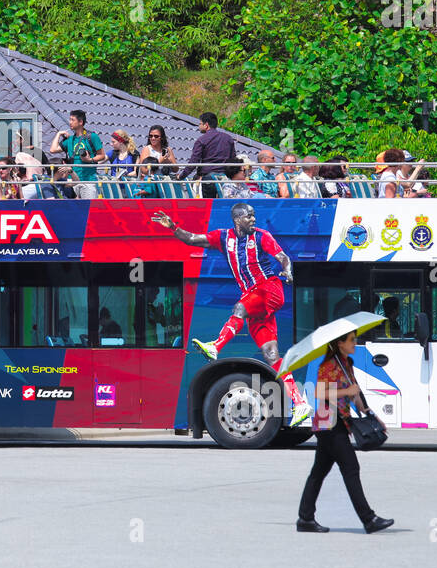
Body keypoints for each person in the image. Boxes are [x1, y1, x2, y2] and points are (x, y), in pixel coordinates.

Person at [150, 204, 313, 427]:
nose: (254, 219)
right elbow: (191, 239)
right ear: (237, 220)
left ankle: (215, 346)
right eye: (249, 216)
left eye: (254, 215)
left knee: (239, 309)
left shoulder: (262, 236)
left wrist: (287, 270)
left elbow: (283, 257)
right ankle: (300, 403)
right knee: (271, 353)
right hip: (255, 298)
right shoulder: (222, 237)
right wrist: (172, 227)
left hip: (269, 289)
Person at [297, 328, 394, 533]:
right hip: (329, 423)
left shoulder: (347, 364)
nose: (354, 343)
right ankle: (369, 519)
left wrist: (370, 415)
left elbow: (355, 392)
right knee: (350, 468)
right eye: (351, 340)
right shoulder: (328, 365)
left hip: (338, 422)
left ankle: (305, 519)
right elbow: (320, 392)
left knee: (318, 472)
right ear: (340, 343)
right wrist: (347, 391)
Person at [49, 110, 106, 200]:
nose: (70, 122)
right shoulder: (70, 139)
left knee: (88, 210)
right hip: (72, 181)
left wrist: (89, 160)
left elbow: (102, 155)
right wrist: (58, 134)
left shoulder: (92, 137)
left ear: (80, 122)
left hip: (88, 181)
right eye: (70, 119)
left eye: (72, 120)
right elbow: (53, 150)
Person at [178, 112, 234, 196]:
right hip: (226, 180)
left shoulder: (202, 140)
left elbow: (193, 162)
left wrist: (181, 176)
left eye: (200, 123)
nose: (199, 126)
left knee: (206, 207)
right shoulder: (228, 138)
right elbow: (233, 159)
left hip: (208, 180)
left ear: (206, 125)